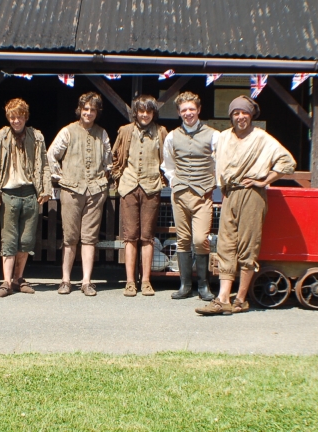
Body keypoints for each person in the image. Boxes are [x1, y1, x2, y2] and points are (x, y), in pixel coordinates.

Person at [196, 96, 296, 316]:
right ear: (231, 116)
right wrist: (222, 186)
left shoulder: (261, 138)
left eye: (244, 113)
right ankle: (223, 299)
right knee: (225, 244)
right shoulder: (223, 137)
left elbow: (287, 162)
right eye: (235, 113)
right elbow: (219, 164)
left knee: (247, 246)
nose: (240, 117)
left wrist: (264, 181)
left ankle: (240, 299)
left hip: (252, 194)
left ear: (251, 115)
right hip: (230, 194)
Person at [47, 92, 112, 297]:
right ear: (80, 109)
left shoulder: (102, 134)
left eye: (93, 110)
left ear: (97, 112)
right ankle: (65, 280)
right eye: (86, 109)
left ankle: (86, 281)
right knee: (70, 237)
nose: (89, 113)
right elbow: (51, 155)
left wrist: (103, 179)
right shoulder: (67, 132)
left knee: (89, 238)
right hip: (71, 190)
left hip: (95, 191)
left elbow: (109, 161)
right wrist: (60, 177)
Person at [0, 98, 52, 298]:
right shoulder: (0, 137)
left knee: (26, 240)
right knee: (9, 239)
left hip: (30, 192)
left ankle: (18, 279)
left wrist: (45, 189)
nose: (16, 121)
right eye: (12, 117)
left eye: (19, 117)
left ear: (25, 117)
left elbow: (45, 164)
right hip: (8, 193)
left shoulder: (37, 136)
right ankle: (6, 282)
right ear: (8, 118)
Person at [161, 91, 219, 301]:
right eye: (184, 110)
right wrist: (174, 180)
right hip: (180, 194)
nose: (188, 113)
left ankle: (204, 285)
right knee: (183, 240)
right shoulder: (172, 136)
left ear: (198, 110)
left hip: (203, 195)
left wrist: (214, 183)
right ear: (179, 112)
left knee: (200, 239)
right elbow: (167, 163)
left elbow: (220, 162)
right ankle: (185, 284)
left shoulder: (213, 135)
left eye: (191, 109)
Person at [112, 95, 168, 297]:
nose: (145, 115)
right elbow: (116, 155)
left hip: (151, 186)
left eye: (149, 111)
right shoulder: (125, 131)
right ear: (135, 112)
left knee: (147, 237)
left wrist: (162, 179)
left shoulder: (161, 132)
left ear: (153, 113)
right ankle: (129, 282)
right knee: (130, 237)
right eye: (141, 111)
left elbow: (167, 158)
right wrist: (119, 178)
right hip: (128, 187)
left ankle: (145, 281)